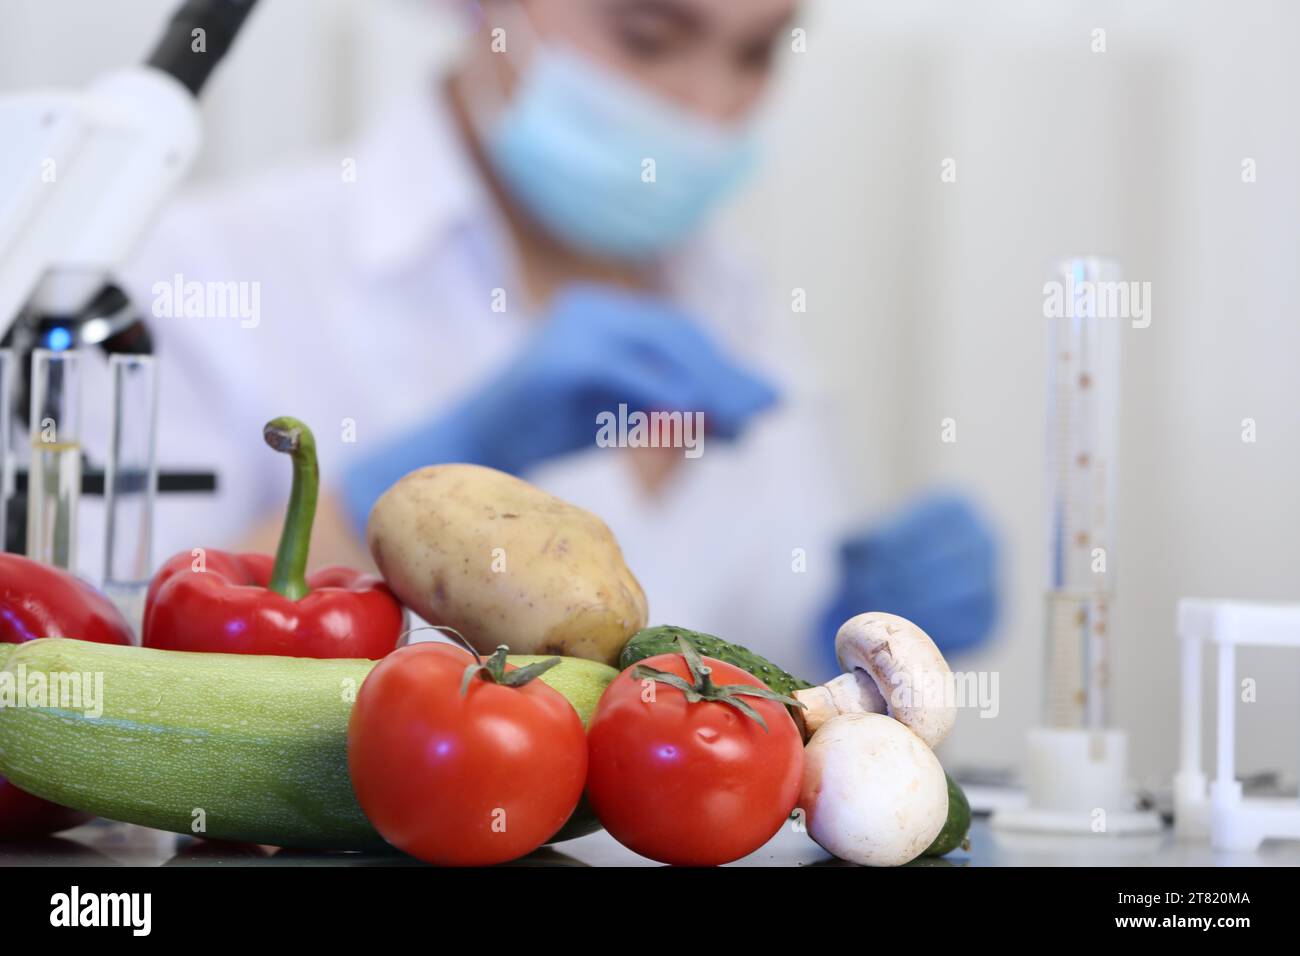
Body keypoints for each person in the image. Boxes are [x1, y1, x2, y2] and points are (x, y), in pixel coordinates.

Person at [98, 0, 996, 680]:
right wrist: (384, 498)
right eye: (647, 35)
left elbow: (753, 702)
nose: (709, 107)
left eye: (756, 53)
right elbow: (115, 679)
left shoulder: (742, 301)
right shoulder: (209, 269)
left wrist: (843, 644)